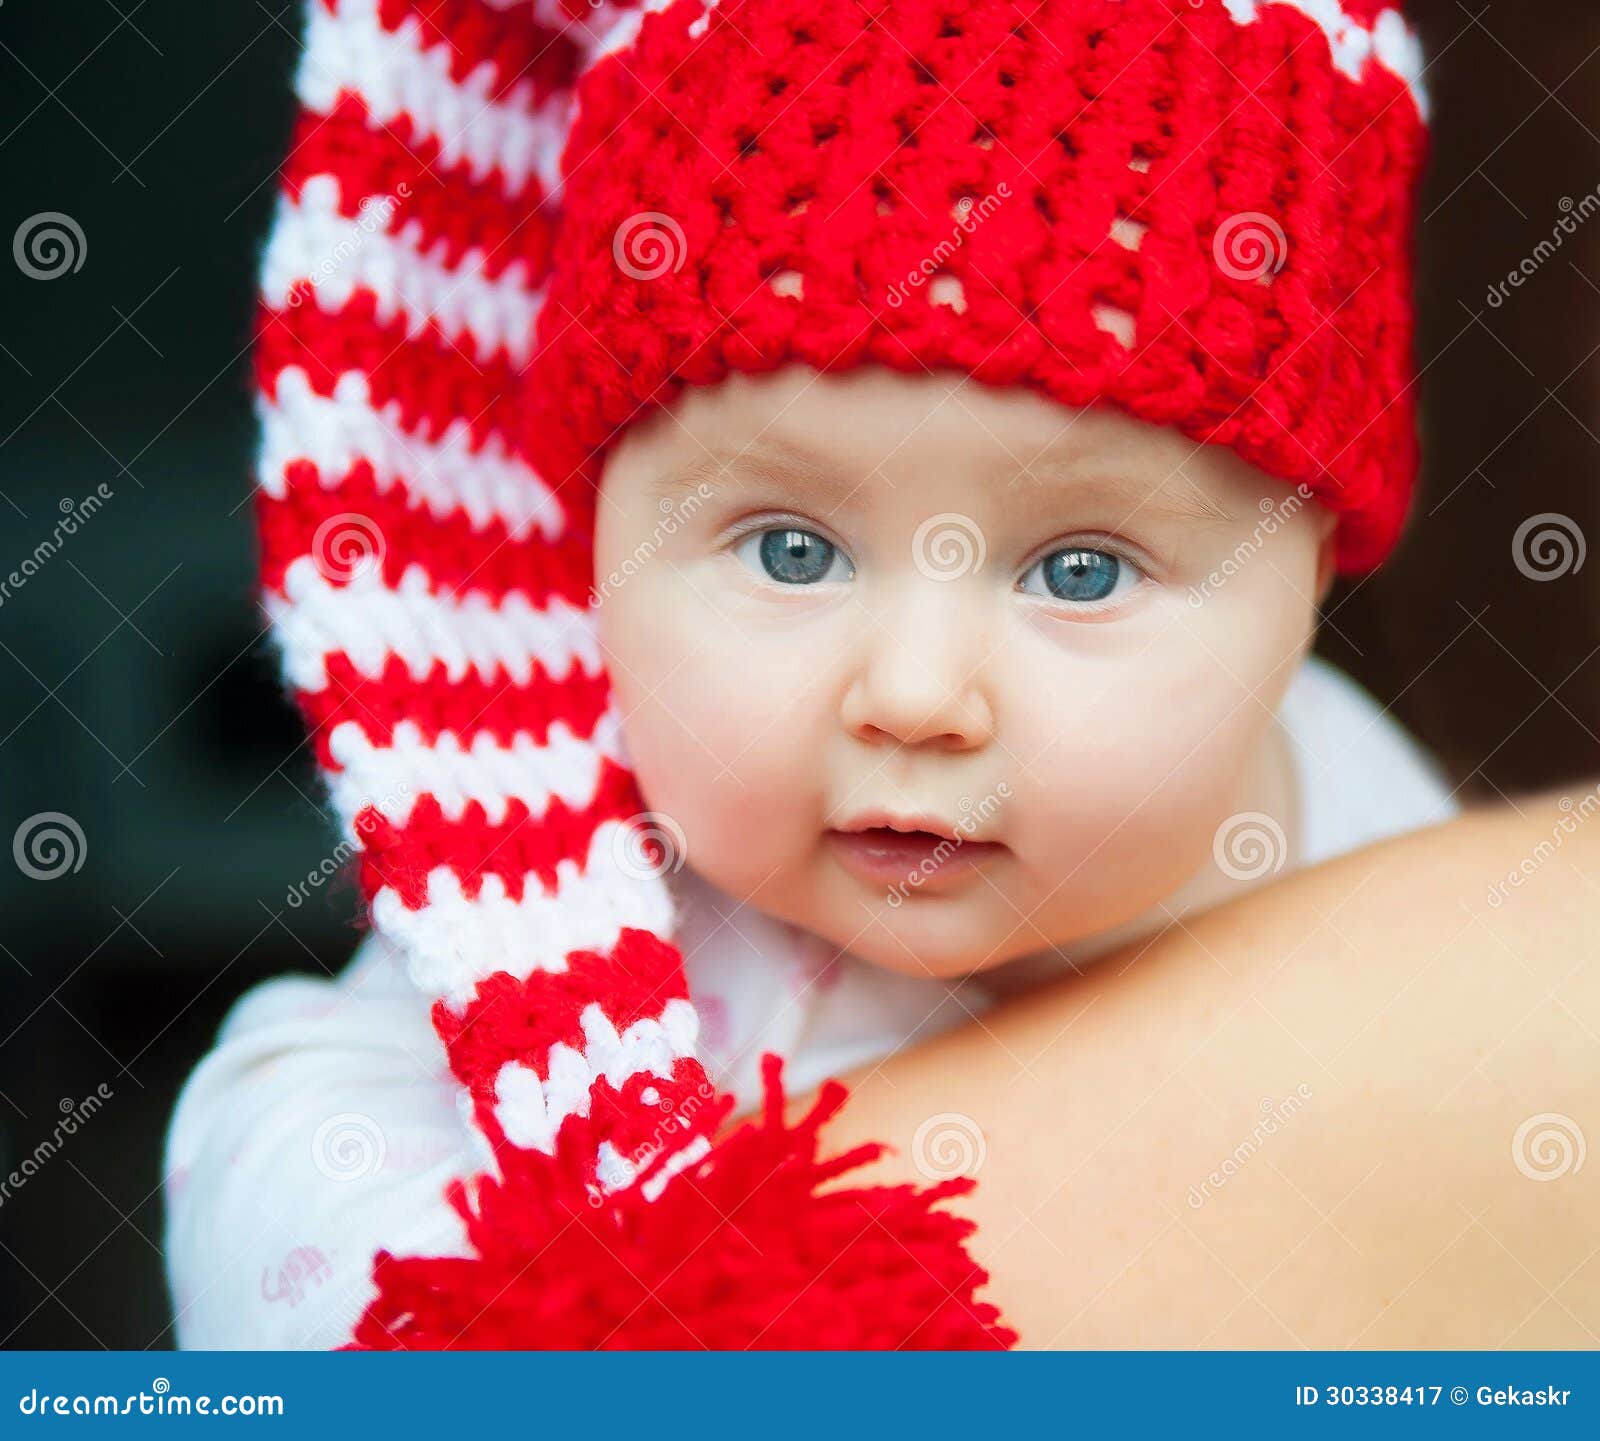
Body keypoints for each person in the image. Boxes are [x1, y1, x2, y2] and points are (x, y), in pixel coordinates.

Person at [166, 0, 1456, 1347]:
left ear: (1307, 584)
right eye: (790, 549)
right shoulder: (583, 901)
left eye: (1080, 570)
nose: (912, 693)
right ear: (593, 537)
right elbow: (269, 1149)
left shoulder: (1380, 862)